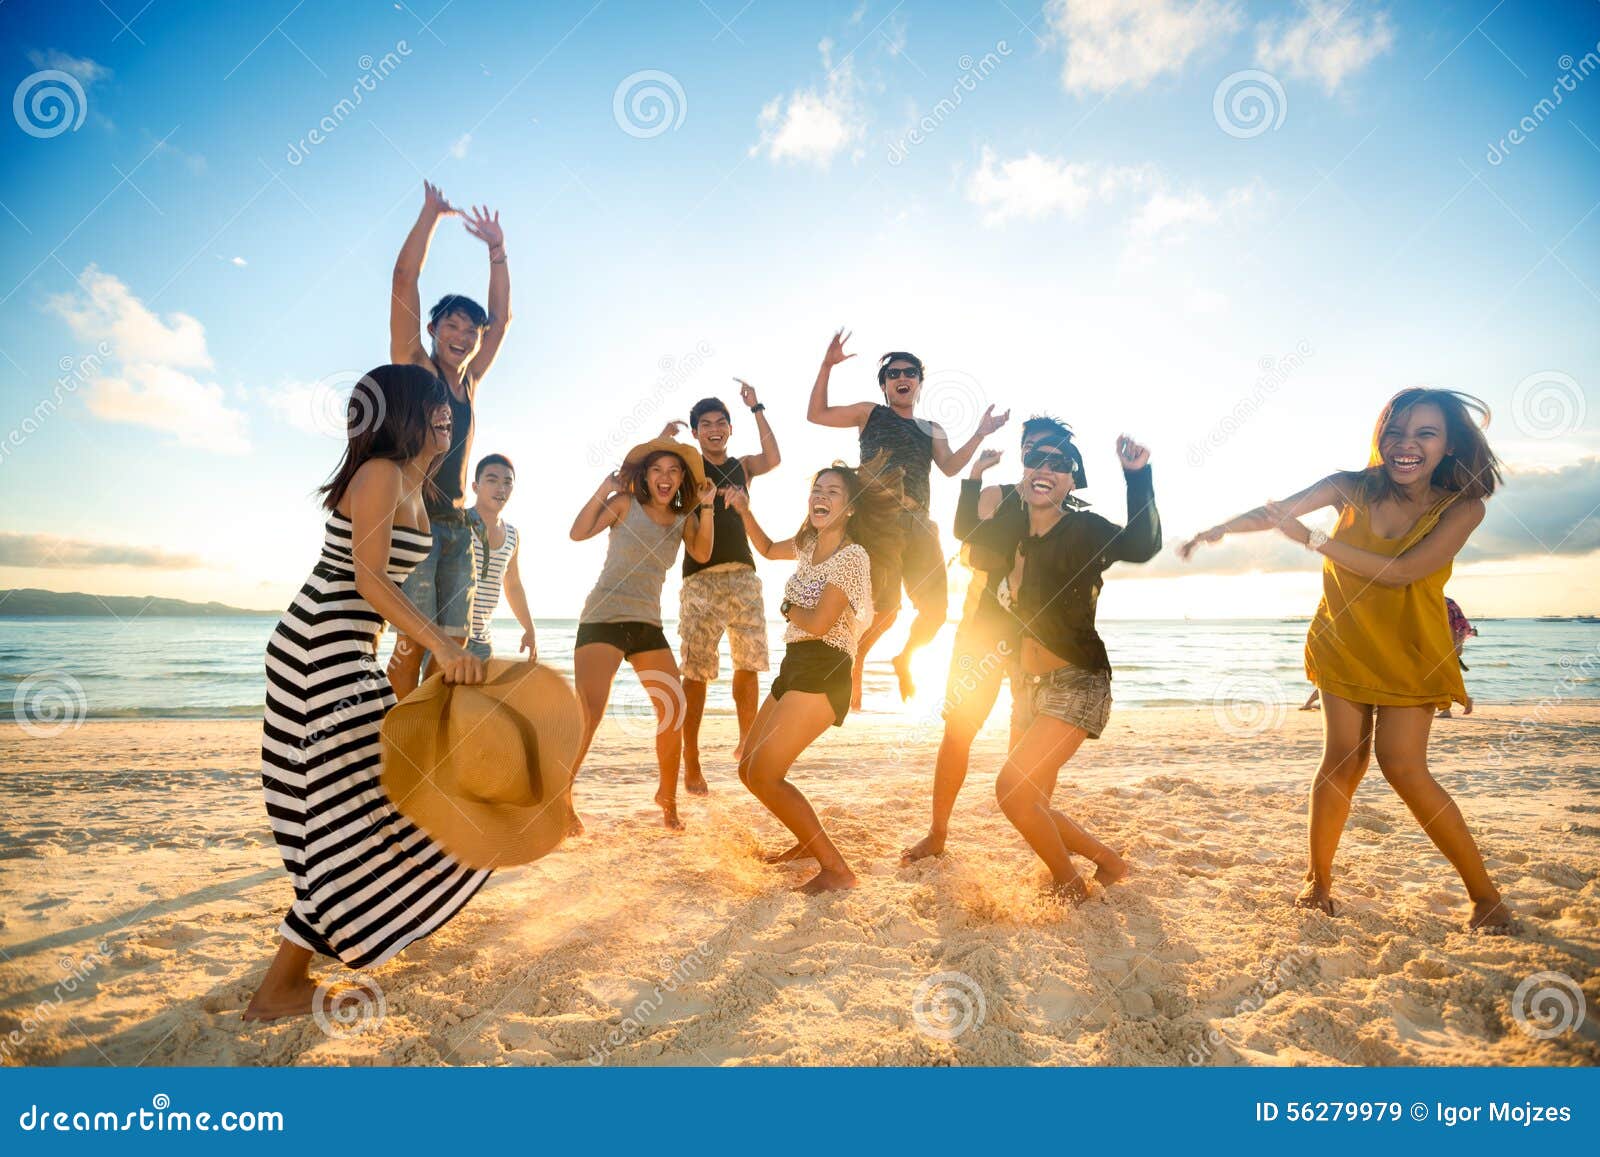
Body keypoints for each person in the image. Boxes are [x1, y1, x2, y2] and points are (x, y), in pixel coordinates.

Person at [1179, 387, 1517, 934]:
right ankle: (1318, 882)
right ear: (1380, 436)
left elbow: (1404, 571)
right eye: (1396, 431)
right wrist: (1217, 529)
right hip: (1344, 640)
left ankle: (1486, 898)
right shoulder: (1349, 485)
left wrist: (1312, 541)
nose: (1406, 445)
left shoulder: (1463, 508)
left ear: (1450, 445)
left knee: (1403, 767)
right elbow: (1277, 512)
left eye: (1425, 434)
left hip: (1411, 649)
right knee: (1341, 762)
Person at [246, 364, 488, 1022]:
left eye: (448, 408)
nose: (446, 416)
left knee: (359, 812)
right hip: (317, 649)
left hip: (346, 650)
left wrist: (409, 648)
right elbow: (369, 581)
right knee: (362, 809)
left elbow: (383, 598)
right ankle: (278, 989)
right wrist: (437, 642)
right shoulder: (381, 472)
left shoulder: (415, 478)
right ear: (404, 412)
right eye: (435, 406)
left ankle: (282, 984)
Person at [723, 453, 906, 893]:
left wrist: (787, 606)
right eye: (816, 490)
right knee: (749, 767)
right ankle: (807, 841)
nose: (820, 497)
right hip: (796, 663)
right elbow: (767, 549)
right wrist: (745, 510)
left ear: (851, 507)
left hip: (826, 666)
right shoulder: (807, 545)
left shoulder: (852, 557)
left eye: (832, 492)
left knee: (767, 774)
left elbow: (821, 622)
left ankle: (837, 870)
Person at [988, 431, 1158, 902]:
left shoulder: (1082, 530)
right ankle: (1109, 861)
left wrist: (1137, 476)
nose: (1045, 468)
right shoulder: (1009, 537)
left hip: (1077, 680)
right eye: (1035, 460)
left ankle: (1071, 886)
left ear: (1071, 483)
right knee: (1032, 802)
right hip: (1025, 687)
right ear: (1023, 472)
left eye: (1059, 464)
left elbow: (1142, 544)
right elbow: (967, 531)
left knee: (1011, 791)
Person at [901, 416, 1078, 864]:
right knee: (958, 732)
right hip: (983, 632)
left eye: (1053, 452)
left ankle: (1036, 828)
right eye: (1034, 449)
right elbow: (972, 545)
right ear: (1022, 454)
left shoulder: (1069, 509)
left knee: (1026, 744)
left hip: (1037, 642)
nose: (1043, 459)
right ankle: (938, 832)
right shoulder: (998, 496)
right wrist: (976, 477)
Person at [806, 329, 1008, 706]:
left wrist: (979, 434)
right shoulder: (871, 414)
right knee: (888, 608)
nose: (903, 378)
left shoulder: (931, 429)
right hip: (878, 522)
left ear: (919, 383)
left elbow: (949, 467)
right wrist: (826, 366)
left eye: (910, 373)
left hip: (920, 525)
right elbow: (816, 414)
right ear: (885, 385)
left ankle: (904, 658)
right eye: (894, 373)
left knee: (935, 613)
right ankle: (858, 659)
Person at [387, 181, 512, 699]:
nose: (462, 336)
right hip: (414, 523)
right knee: (414, 644)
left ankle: (429, 741)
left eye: (470, 330)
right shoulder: (416, 367)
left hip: (459, 527)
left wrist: (497, 251)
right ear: (435, 327)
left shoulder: (470, 382)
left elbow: (502, 319)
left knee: (455, 645)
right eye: (452, 325)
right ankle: (391, 738)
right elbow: (403, 277)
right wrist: (430, 215)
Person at [568, 439, 716, 832]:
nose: (665, 477)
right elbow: (577, 534)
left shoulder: (685, 519)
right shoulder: (623, 505)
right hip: (603, 618)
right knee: (590, 711)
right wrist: (605, 488)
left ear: (682, 478)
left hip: (647, 625)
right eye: (657, 470)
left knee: (674, 709)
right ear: (646, 477)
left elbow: (702, 554)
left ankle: (667, 797)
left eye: (673, 470)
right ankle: (561, 794)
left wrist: (707, 505)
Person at [663, 383, 781, 793]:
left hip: (744, 575)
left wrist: (757, 407)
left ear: (729, 428)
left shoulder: (743, 467)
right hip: (700, 578)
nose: (714, 429)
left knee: (749, 664)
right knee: (696, 674)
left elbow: (773, 457)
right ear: (695, 433)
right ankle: (691, 759)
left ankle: (747, 742)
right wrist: (666, 439)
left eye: (720, 423)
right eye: (705, 425)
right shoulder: (688, 469)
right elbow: (649, 470)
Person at [465, 453, 536, 664]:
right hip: (448, 638)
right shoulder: (458, 522)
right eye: (492, 480)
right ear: (475, 486)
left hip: (482, 642)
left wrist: (529, 628)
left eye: (507, 482)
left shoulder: (513, 535)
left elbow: (513, 585)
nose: (501, 488)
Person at [1437, 596, 1478, 718]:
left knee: (1445, 676)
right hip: (1433, 643)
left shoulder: (1447, 602)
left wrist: (1459, 643)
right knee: (1441, 676)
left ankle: (1456, 704)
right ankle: (1461, 701)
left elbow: (1462, 624)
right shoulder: (1421, 599)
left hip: (1449, 644)